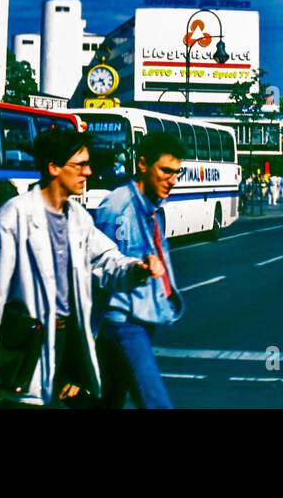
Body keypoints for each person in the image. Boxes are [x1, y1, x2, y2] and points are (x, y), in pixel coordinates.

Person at [0, 129, 162, 408]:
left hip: (68, 341)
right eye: (80, 165)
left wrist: (136, 269)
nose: (88, 172)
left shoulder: (77, 218)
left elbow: (105, 260)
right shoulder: (15, 216)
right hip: (28, 343)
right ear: (53, 167)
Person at [93, 131, 187, 409]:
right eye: (166, 171)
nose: (173, 180)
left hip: (142, 314)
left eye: (177, 173)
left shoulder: (152, 207)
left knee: (110, 398)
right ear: (143, 164)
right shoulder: (119, 207)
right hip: (122, 319)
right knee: (155, 401)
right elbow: (102, 265)